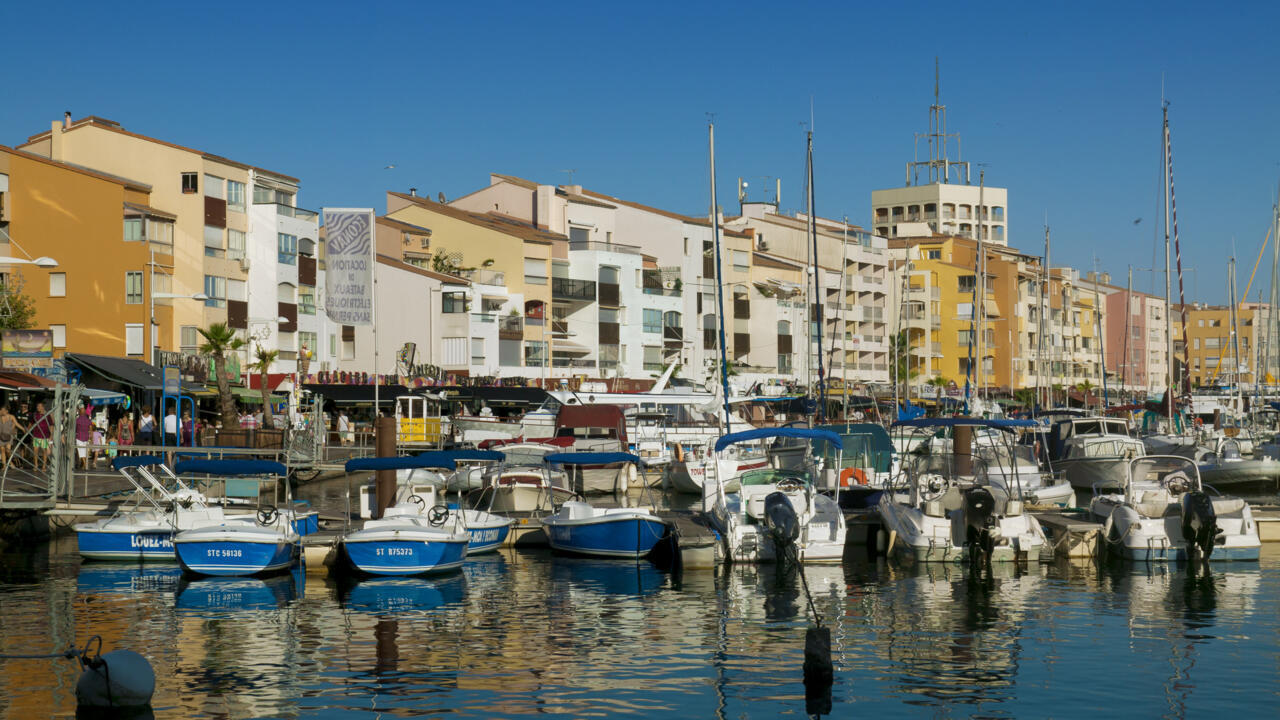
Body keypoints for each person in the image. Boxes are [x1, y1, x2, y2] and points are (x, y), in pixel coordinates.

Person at [31, 401, 51, 472]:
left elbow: (51, 425)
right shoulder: (34, 415)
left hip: (45, 436)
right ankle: (35, 465)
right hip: (36, 435)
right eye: (37, 406)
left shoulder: (47, 415)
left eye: (39, 406)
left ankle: (44, 466)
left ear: (43, 407)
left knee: (44, 451)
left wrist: (51, 435)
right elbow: (31, 424)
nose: (38, 408)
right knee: (35, 451)